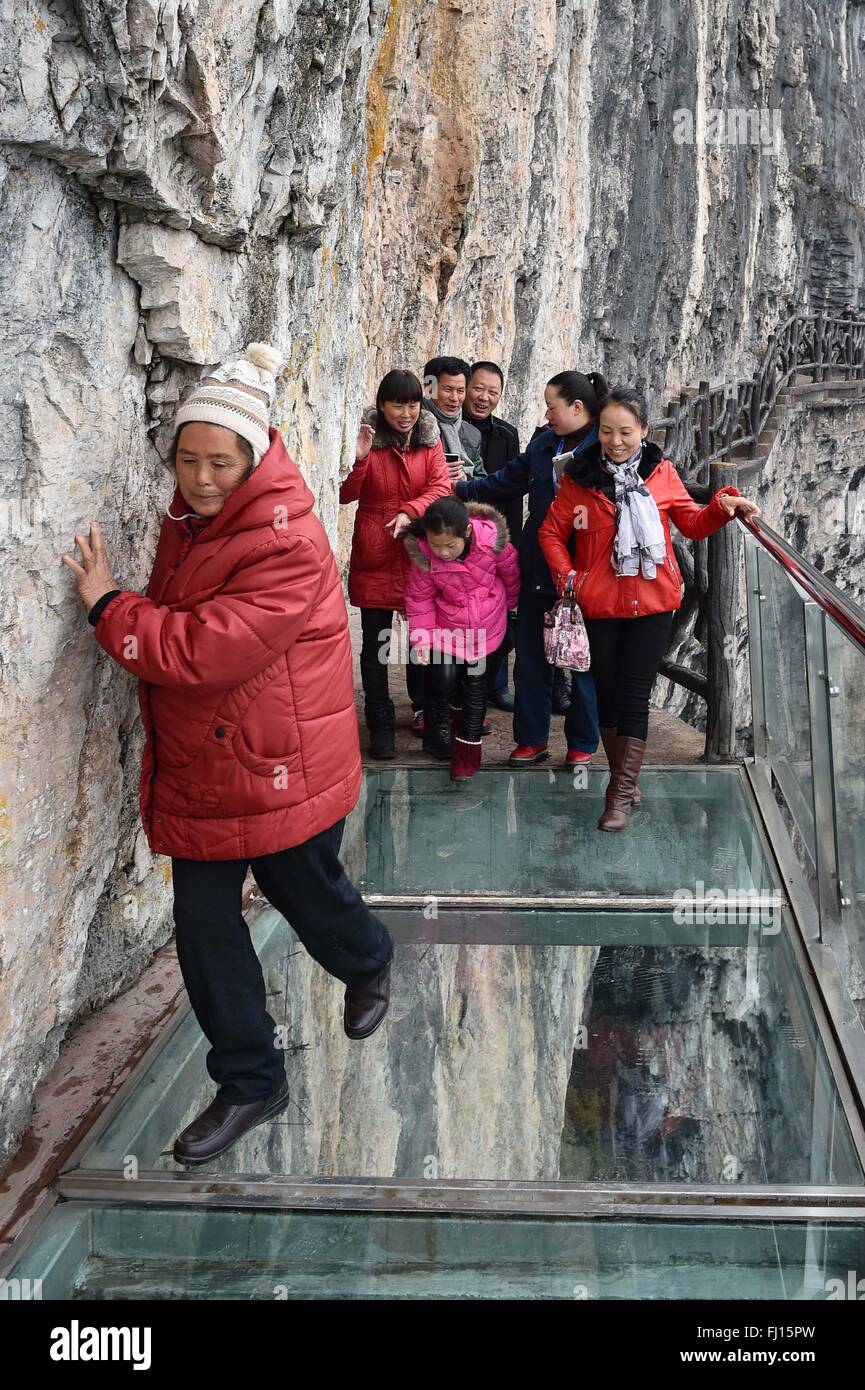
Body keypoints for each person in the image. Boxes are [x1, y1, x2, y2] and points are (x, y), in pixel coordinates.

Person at [61, 343, 394, 1168]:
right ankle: (252, 1078)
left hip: (280, 756)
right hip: (222, 754)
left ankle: (370, 958)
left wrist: (109, 603)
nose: (200, 476)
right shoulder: (197, 515)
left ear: (255, 458)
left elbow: (203, 649)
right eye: (186, 458)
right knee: (205, 923)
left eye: (219, 461)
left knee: (302, 885)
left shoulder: (284, 539)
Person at [538, 386, 760, 831]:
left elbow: (692, 524)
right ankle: (626, 775)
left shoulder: (662, 474)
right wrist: (570, 579)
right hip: (599, 603)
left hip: (653, 601)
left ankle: (618, 793)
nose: (615, 441)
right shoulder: (577, 478)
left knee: (635, 693)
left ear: (643, 431)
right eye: (606, 432)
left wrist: (722, 506)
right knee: (606, 693)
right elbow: (550, 532)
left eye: (625, 432)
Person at [456, 370, 606, 767]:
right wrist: (462, 490)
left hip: (586, 572)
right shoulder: (544, 444)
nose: (546, 413)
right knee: (531, 657)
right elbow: (508, 480)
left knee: (582, 661)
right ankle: (532, 739)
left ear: (576, 407)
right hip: (539, 567)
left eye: (551, 406)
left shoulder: (606, 445)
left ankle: (582, 743)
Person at [339, 369, 451, 757]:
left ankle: (436, 722)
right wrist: (358, 458)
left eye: (413, 404)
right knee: (377, 645)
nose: (406, 413)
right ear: (382, 405)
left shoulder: (428, 439)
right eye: (397, 404)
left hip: (421, 554)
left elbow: (441, 486)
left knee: (430, 644)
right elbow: (346, 494)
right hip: (378, 551)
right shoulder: (370, 438)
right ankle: (381, 723)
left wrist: (409, 511)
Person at [403, 497, 520, 782]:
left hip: (487, 625)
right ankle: (445, 725)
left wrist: (513, 610)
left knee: (476, 690)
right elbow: (420, 600)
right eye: (436, 545)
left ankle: (466, 756)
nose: (442, 552)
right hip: (448, 626)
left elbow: (511, 573)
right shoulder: (423, 556)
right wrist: (421, 641)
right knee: (444, 682)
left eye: (449, 545)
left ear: (466, 533)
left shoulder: (492, 541)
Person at [463, 360, 523, 712]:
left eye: (493, 392)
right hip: (462, 536)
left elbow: (513, 490)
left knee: (498, 611)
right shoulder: (450, 429)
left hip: (496, 535)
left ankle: (494, 684)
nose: (484, 397)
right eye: (478, 388)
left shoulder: (507, 434)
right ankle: (463, 688)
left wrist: (508, 538)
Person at [422, 355, 485, 482]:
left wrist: (465, 480)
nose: (454, 398)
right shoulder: (411, 425)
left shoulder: (471, 434)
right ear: (429, 388)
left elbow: (483, 481)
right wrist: (433, 473)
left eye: (460, 391)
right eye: (448, 389)